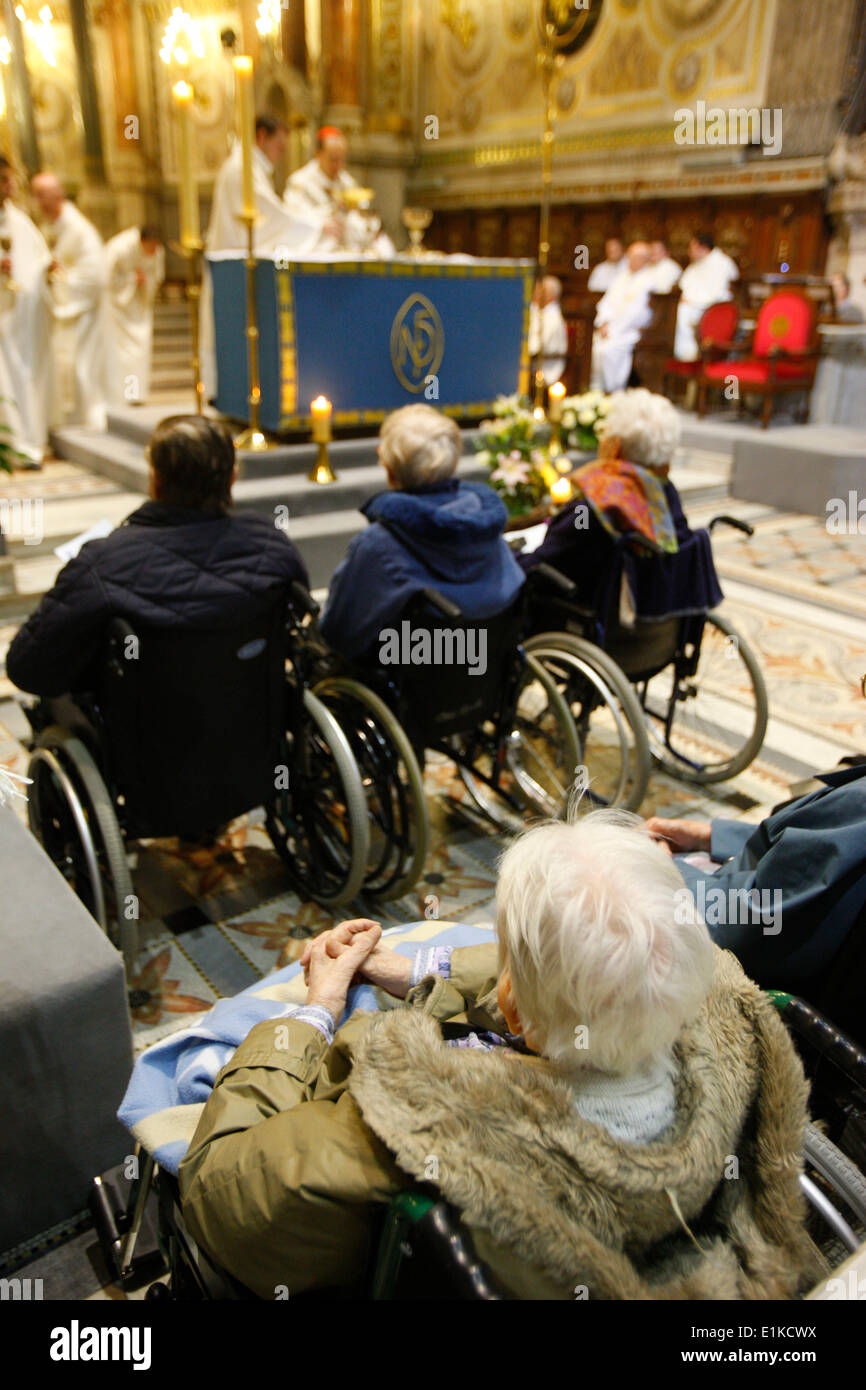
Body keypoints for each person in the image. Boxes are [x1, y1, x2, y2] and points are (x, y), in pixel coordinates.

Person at [177, 810, 820, 1300]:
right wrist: (417, 969)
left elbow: (216, 1192)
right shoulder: (728, 1015)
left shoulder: (404, 1129)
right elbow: (575, 988)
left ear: (517, 1010)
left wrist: (314, 1010)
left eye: (506, 953)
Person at [6, 416, 308, 698]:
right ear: (232, 478)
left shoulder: (103, 561)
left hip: (142, 742)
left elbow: (27, 669)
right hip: (253, 731)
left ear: (155, 480)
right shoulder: (269, 543)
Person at [645, 762, 866, 1013]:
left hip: (754, 986)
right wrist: (713, 836)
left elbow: (745, 928)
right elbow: (811, 834)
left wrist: (665, 869)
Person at [320, 404, 524, 664]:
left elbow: (338, 631)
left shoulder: (377, 544)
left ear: (389, 469)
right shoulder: (482, 522)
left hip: (411, 675)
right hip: (482, 669)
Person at [518, 388, 722, 623]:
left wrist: (509, 556)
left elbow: (543, 564)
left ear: (614, 446)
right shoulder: (664, 492)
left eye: (603, 434)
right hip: (652, 629)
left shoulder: (594, 505)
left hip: (588, 620)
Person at [202, 114, 322, 395]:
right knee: (236, 340)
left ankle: (240, 395)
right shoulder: (241, 170)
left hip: (239, 270)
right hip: (234, 272)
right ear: (261, 137)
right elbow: (270, 217)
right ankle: (234, 396)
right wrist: (318, 225)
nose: (281, 155)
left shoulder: (249, 169)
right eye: (279, 147)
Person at [31, 172, 107, 431]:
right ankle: (71, 421)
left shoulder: (77, 228)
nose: (39, 202)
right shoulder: (48, 227)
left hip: (80, 311)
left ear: (58, 195)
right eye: (36, 195)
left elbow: (95, 274)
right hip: (63, 309)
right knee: (67, 366)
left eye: (43, 195)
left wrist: (59, 283)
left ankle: (88, 422)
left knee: (80, 366)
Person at [0, 155, 52, 468]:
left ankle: (27, 441)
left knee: (21, 377)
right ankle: (10, 442)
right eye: (3, 180)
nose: (9, 186)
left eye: (9, 179)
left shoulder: (19, 220)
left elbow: (39, 256)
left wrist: (47, 268)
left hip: (19, 320)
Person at [284, 125, 394, 257]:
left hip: (346, 249)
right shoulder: (300, 182)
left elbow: (365, 219)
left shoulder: (347, 183)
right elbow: (292, 219)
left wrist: (364, 221)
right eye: (333, 159)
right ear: (318, 154)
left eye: (342, 159)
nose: (338, 165)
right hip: (315, 250)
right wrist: (321, 225)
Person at [104, 225, 165, 407]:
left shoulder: (157, 251)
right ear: (142, 241)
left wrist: (146, 282)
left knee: (139, 356)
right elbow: (105, 278)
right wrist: (131, 279)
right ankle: (122, 395)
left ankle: (135, 394)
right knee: (124, 357)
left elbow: (156, 276)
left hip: (139, 307)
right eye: (150, 247)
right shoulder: (119, 248)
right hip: (118, 310)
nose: (153, 252)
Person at [590, 241, 656, 392]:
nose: (631, 261)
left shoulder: (648, 281)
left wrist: (612, 330)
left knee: (607, 351)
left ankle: (613, 390)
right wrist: (603, 323)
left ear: (645, 260)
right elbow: (605, 303)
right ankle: (595, 391)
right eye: (630, 256)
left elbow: (636, 313)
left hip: (629, 331)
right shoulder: (621, 278)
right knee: (593, 348)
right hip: (608, 329)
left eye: (635, 257)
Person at [674, 231, 738, 361]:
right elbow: (683, 286)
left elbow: (718, 293)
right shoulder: (696, 264)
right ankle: (682, 357)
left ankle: (690, 358)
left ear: (702, 247)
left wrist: (691, 301)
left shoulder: (722, 263)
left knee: (683, 311)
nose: (689, 251)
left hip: (712, 309)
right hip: (694, 306)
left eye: (692, 247)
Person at [528, 275, 568, 386]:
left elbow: (536, 346)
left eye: (541, 291)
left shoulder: (552, 317)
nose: (536, 294)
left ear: (552, 296)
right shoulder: (539, 312)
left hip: (547, 366)